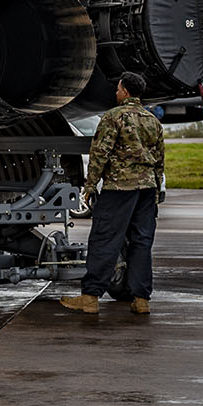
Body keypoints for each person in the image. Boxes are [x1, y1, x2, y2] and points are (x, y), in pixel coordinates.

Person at [61, 71, 164, 315]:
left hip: (119, 188)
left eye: (118, 89)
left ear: (125, 91)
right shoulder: (152, 121)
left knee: (105, 240)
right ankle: (141, 299)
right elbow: (159, 160)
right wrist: (156, 189)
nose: (116, 93)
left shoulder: (113, 117)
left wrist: (89, 185)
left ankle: (91, 296)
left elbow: (99, 155)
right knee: (141, 242)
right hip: (147, 189)